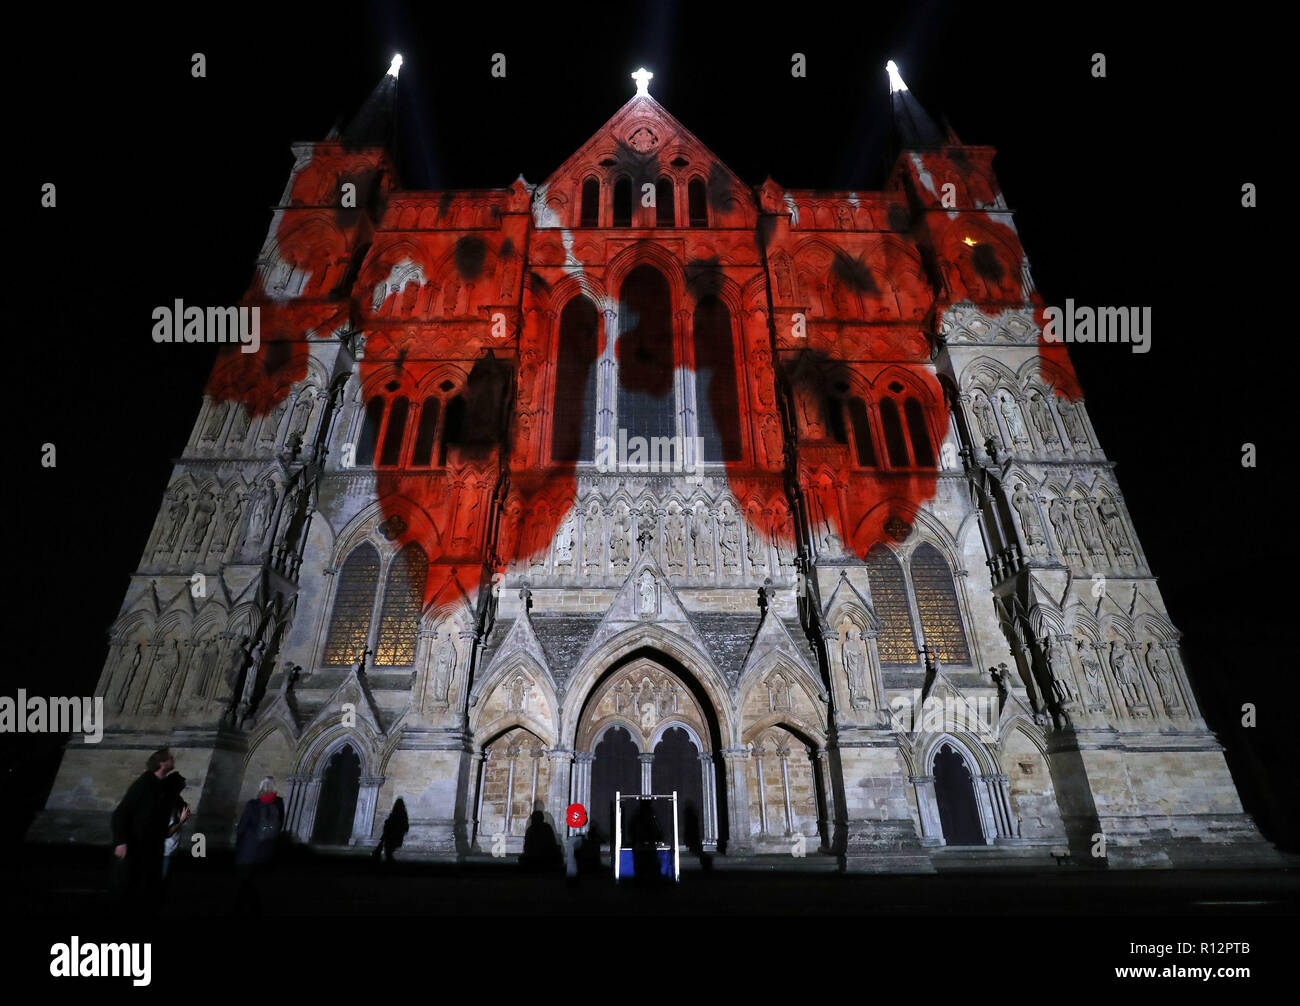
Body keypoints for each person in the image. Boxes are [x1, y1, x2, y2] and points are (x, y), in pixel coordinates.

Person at [110, 748, 175, 914]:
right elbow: (121, 813)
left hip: (153, 846)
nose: (173, 760)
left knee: (148, 887)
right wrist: (121, 841)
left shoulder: (163, 787)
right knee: (129, 885)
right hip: (136, 844)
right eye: (170, 758)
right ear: (162, 763)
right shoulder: (144, 784)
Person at [233, 776, 284, 915]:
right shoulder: (279, 803)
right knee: (259, 880)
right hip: (267, 847)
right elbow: (280, 824)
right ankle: (256, 907)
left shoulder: (253, 804)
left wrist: (239, 843)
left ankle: (241, 907)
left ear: (261, 787)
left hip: (250, 847)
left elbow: (242, 827)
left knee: (245, 880)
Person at [160, 772, 192, 883]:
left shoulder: (177, 800)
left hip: (172, 849)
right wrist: (181, 821)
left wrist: (185, 817)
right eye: (180, 787)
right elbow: (166, 832)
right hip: (164, 851)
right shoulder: (165, 803)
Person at [372, 798, 409, 863]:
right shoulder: (403, 813)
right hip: (397, 834)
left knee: (388, 851)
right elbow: (405, 823)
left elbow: (389, 823)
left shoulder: (394, 812)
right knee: (389, 852)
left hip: (390, 834)